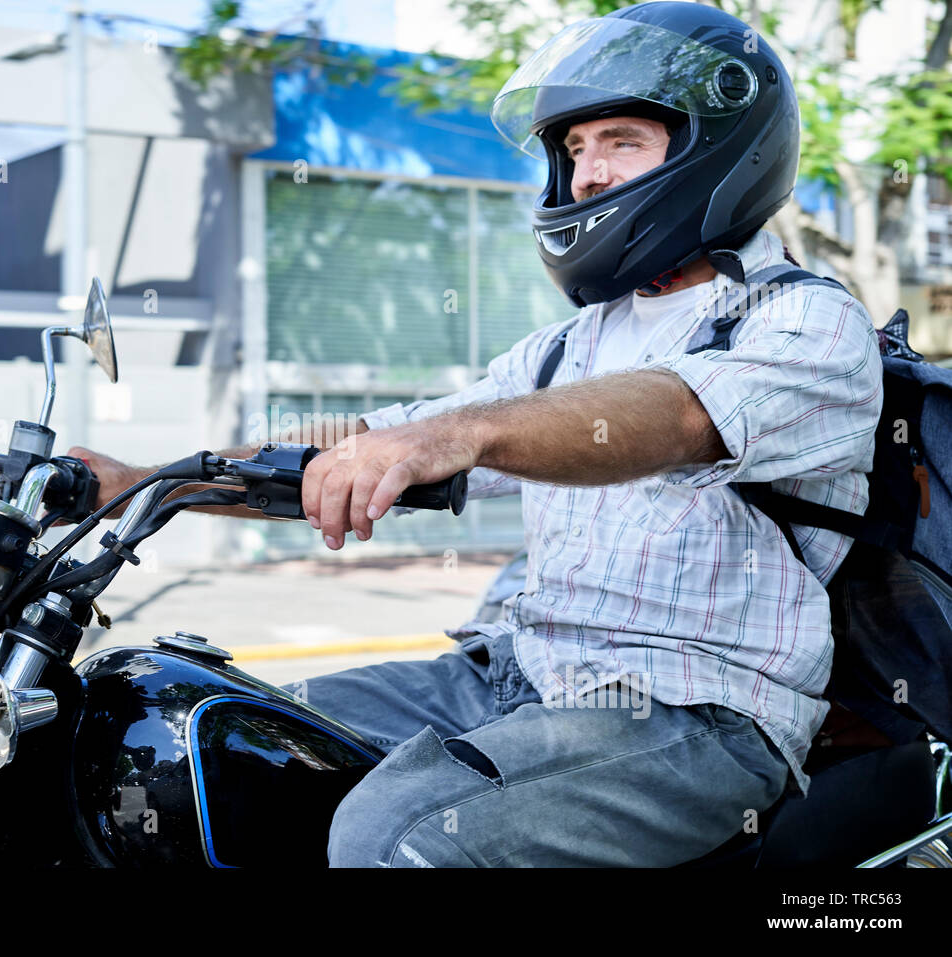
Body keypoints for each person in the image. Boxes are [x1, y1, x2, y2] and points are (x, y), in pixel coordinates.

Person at [69, 1, 883, 866]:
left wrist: (460, 437)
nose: (590, 175)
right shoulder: (576, 343)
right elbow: (381, 434)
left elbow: (679, 413)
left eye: (622, 141)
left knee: (397, 836)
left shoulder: (804, 321)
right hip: (512, 672)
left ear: (717, 152)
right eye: (574, 150)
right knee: (212, 736)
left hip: (694, 711)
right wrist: (139, 479)